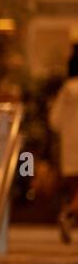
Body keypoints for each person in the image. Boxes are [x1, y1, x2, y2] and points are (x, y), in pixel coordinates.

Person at [49, 44, 78, 242]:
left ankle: (69, 215)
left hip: (70, 147)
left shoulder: (66, 91)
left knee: (74, 188)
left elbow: (54, 121)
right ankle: (69, 214)